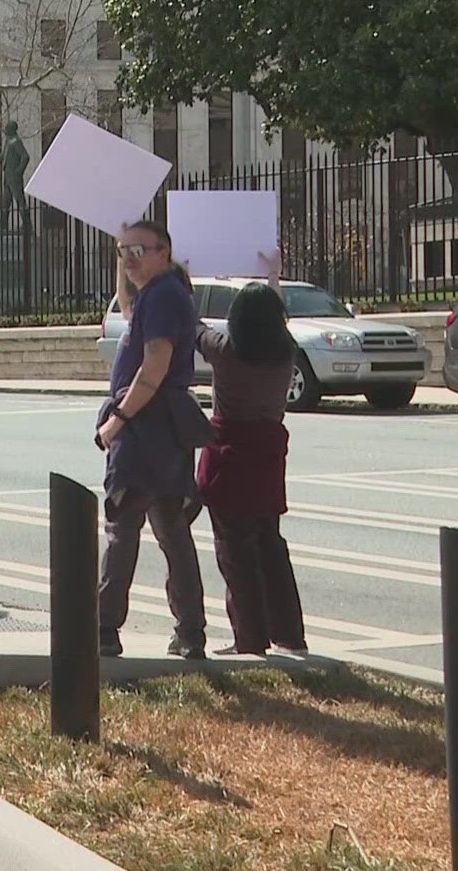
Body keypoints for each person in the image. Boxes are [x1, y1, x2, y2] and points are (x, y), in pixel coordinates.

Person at [98, 221, 209, 660]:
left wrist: (118, 420)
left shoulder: (163, 295)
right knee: (172, 532)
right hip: (160, 427)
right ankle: (190, 633)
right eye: (124, 250)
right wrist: (120, 254)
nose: (128, 258)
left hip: (147, 427)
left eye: (138, 250)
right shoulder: (157, 294)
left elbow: (156, 363)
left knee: (123, 530)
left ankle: (104, 630)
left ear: (164, 252)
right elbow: (128, 312)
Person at [198, 251, 307, 658]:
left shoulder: (225, 350)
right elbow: (278, 321)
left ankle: (250, 637)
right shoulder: (285, 353)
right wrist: (274, 276)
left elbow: (192, 327)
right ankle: (289, 633)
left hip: (229, 456)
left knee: (235, 551)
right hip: (266, 455)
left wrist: (183, 273)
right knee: (270, 544)